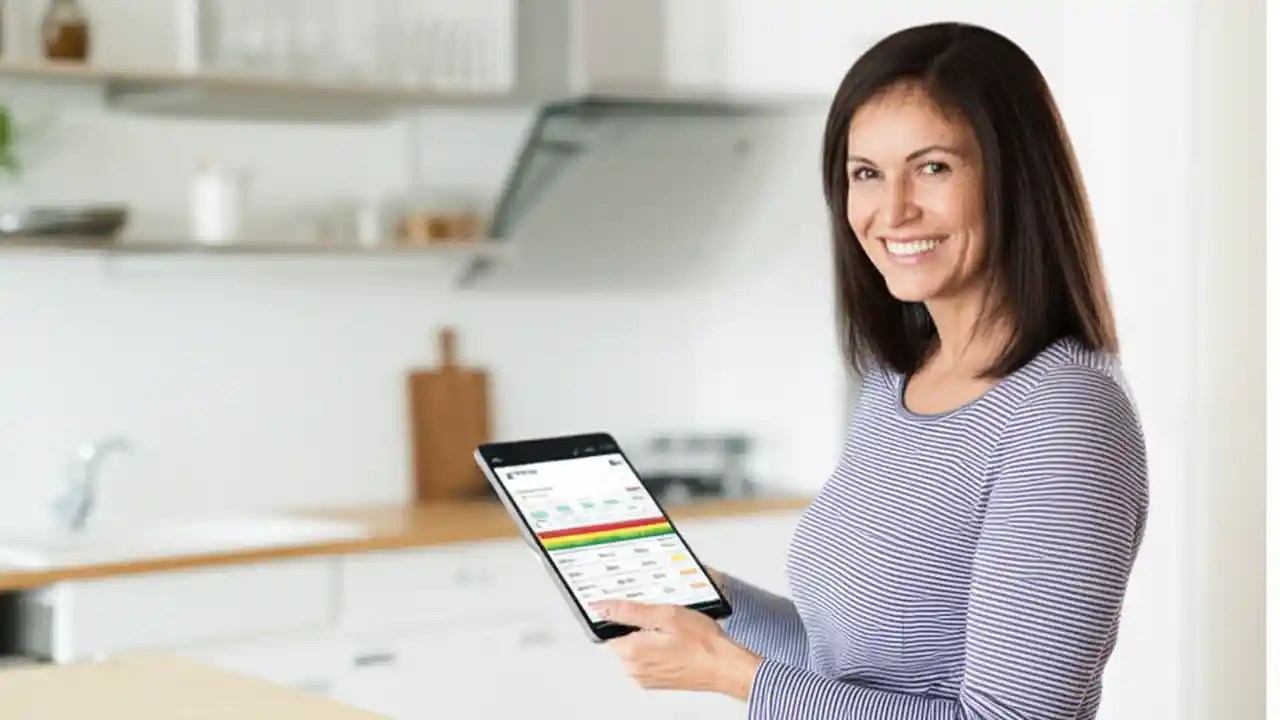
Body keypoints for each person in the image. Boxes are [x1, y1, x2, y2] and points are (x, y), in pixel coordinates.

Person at [588, 21, 1149, 719]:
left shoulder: (1063, 415)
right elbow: (846, 665)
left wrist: (737, 677)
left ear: (1016, 179)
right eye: (867, 174)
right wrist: (711, 603)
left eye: (933, 168)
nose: (894, 210)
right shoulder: (898, 382)